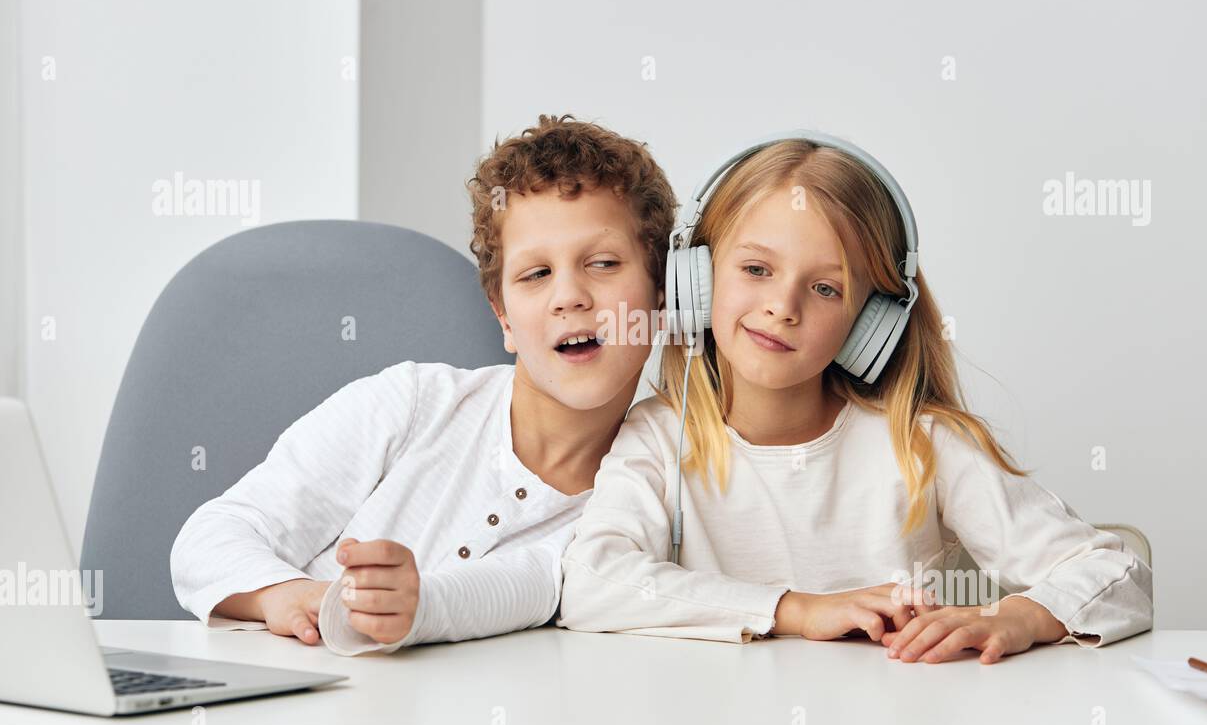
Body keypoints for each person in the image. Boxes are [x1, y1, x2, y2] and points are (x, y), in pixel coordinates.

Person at [557, 134, 1153, 664]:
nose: (782, 307)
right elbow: (590, 582)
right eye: (757, 269)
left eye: (825, 288)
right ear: (700, 278)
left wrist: (1017, 617)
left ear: (871, 323)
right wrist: (799, 610)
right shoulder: (660, 438)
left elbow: (1120, 573)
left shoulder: (920, 444)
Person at [170, 114, 677, 655]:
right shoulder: (412, 404)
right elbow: (209, 538)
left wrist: (419, 604)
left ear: (662, 299)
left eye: (602, 263)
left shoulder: (654, 495)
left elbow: (535, 585)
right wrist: (286, 595)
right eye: (535, 275)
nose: (569, 296)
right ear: (504, 319)